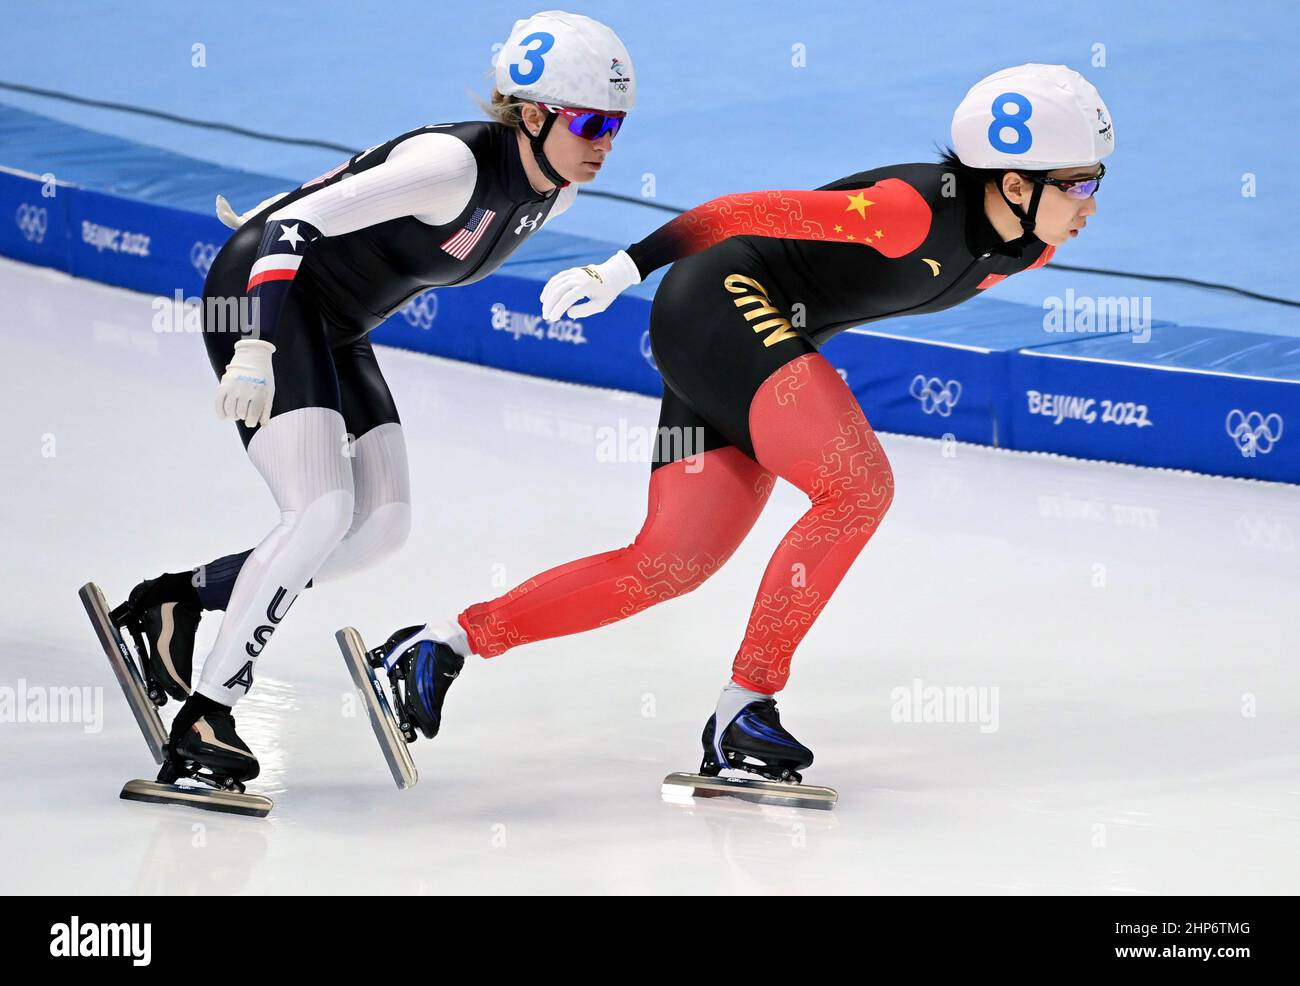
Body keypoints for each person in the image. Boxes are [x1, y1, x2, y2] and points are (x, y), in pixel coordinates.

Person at [364, 64, 1114, 786]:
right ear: (1013, 182)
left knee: (669, 563)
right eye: (1079, 183)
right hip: (719, 303)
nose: (1091, 202)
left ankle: (438, 646)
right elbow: (735, 214)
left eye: (1096, 181)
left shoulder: (1032, 247)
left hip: (747, 342)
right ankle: (747, 705)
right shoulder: (909, 209)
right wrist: (621, 269)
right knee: (856, 489)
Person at [98, 10, 636, 797]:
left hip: (338, 324)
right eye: (588, 120)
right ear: (531, 113)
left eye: (616, 125)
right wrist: (252, 347)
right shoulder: (451, 164)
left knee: (382, 526)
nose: (604, 142)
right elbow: (292, 223)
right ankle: (208, 717)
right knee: (318, 510)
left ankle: (177, 599)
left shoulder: (552, 198)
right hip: (264, 299)